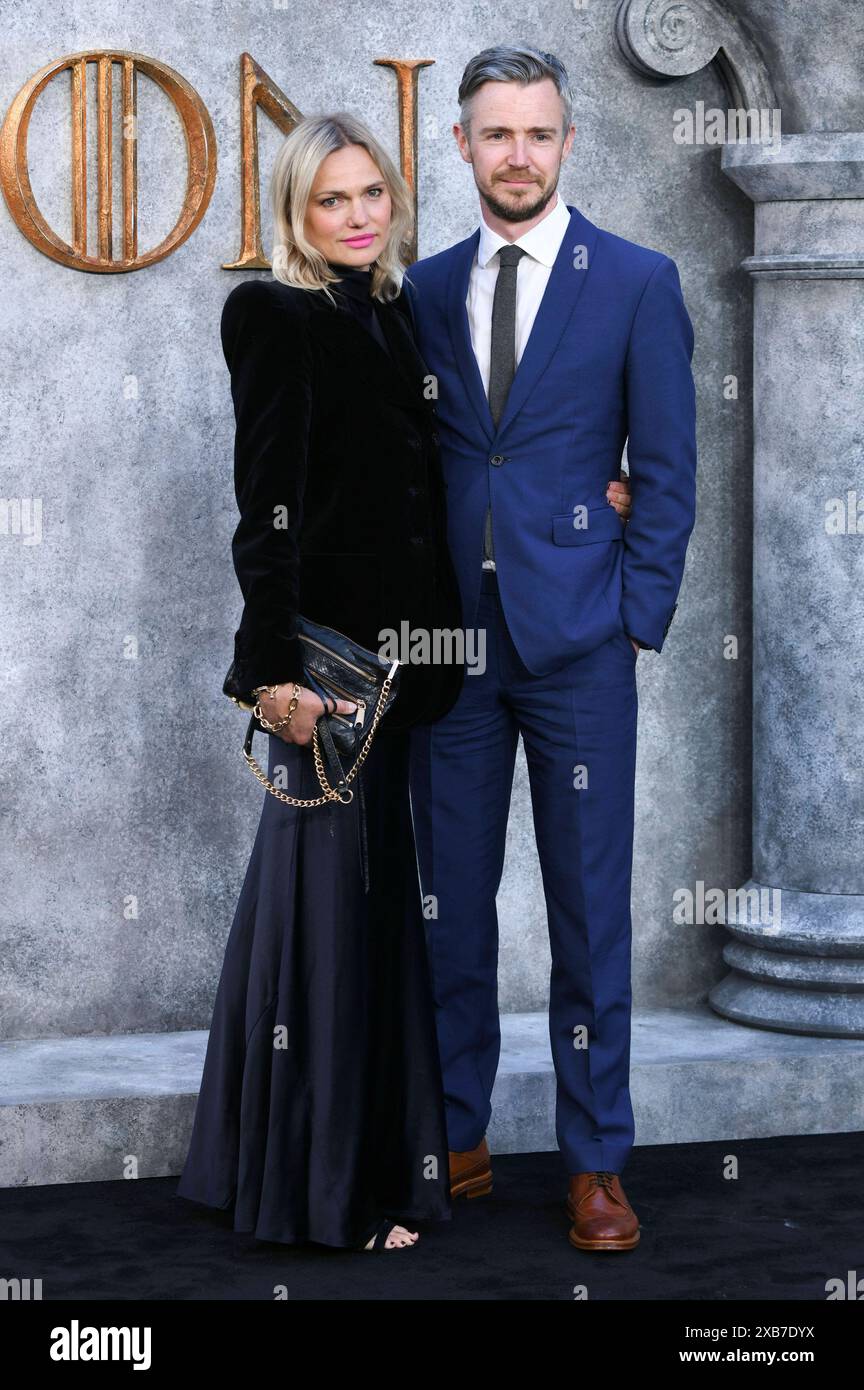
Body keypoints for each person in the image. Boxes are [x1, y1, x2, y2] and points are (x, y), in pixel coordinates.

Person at [176, 110, 633, 1253]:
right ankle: (335, 1193)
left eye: (371, 193)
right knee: (333, 929)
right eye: (332, 200)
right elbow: (266, 508)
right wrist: (270, 674)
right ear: (295, 211)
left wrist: (597, 493)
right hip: (331, 678)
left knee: (373, 927)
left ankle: (358, 1169)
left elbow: (471, 458)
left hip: (410, 676)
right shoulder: (272, 314)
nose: (358, 215)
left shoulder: (391, 312)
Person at [406, 45, 697, 1251]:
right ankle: (454, 1133)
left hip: (579, 651)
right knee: (449, 909)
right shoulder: (420, 290)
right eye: (495, 134)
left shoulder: (634, 281)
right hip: (448, 650)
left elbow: (670, 474)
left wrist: (631, 618)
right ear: (462, 146)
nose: (517, 154)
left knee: (589, 915)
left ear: (567, 143)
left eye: (538, 133)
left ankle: (595, 1161)